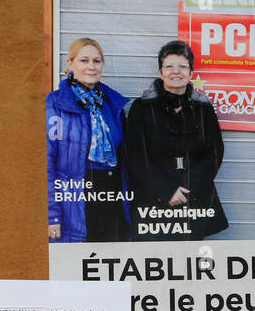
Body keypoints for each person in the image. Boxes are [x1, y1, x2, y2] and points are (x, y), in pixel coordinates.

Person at [124, 40, 228, 240]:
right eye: (169, 66)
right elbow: (135, 155)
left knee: (191, 263)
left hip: (194, 200)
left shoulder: (203, 108)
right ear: (160, 72)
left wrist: (189, 187)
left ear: (191, 72)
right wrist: (166, 190)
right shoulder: (143, 107)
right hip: (154, 202)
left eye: (182, 66)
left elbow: (214, 152)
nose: (176, 72)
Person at [47, 37, 131, 243]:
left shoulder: (113, 103)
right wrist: (52, 215)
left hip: (112, 198)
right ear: (70, 64)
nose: (91, 67)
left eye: (97, 61)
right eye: (84, 60)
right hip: (76, 202)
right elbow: (45, 163)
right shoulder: (55, 103)